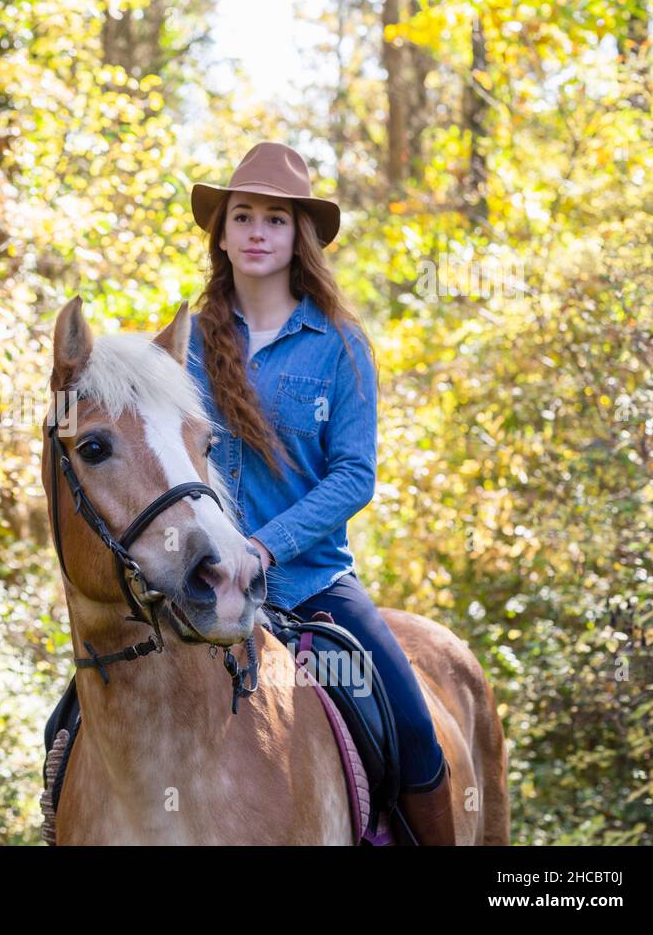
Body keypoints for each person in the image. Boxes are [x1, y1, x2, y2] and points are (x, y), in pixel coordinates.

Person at [184, 141, 456, 845]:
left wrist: (262, 546)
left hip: (310, 583)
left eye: (275, 219)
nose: (256, 232)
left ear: (298, 236)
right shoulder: (186, 342)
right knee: (81, 707)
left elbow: (352, 477)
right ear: (222, 233)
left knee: (414, 728)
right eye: (242, 216)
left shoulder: (339, 344)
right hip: (201, 582)